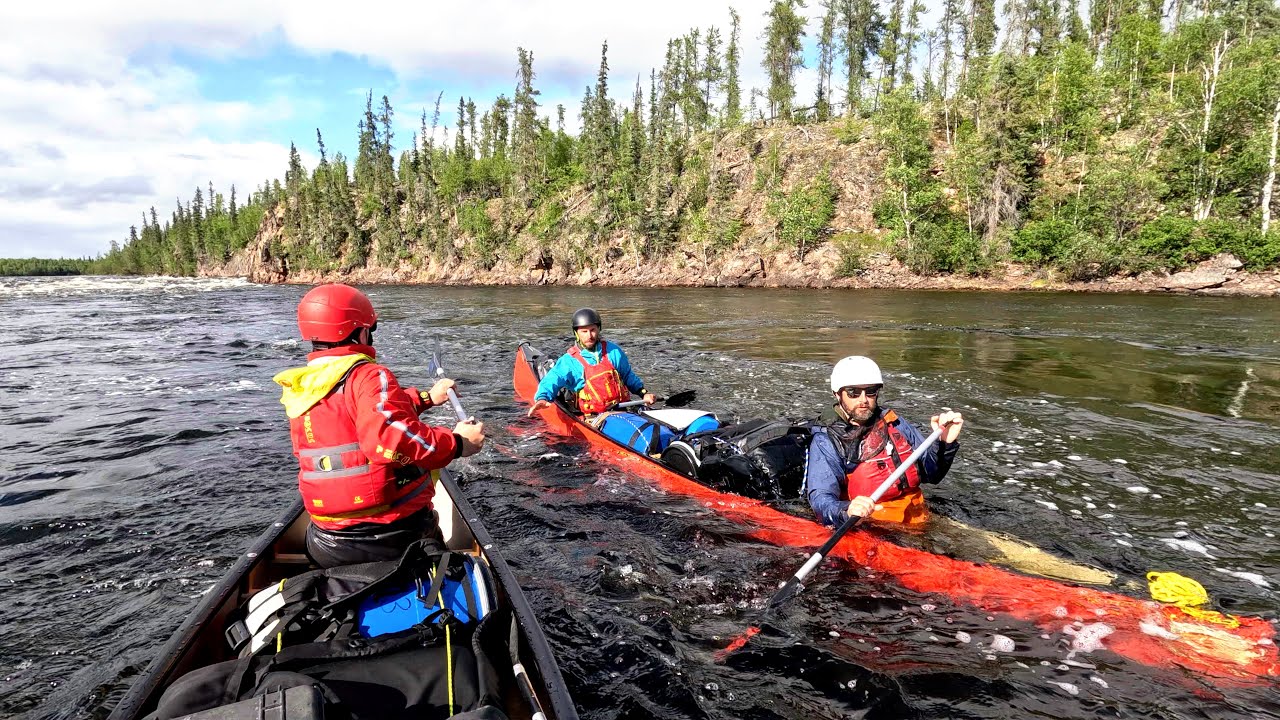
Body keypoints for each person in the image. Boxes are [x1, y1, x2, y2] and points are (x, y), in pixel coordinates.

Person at [273, 283, 485, 568]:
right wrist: (458, 443)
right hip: (394, 535)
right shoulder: (371, 375)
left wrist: (425, 398)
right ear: (361, 332)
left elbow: (359, 415)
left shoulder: (306, 385)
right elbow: (387, 439)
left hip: (325, 540)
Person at [806, 355, 963, 527]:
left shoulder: (893, 422)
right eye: (853, 392)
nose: (863, 400)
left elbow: (932, 474)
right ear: (837, 394)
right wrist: (846, 510)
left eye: (870, 391)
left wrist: (944, 443)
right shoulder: (827, 439)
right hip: (874, 526)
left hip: (916, 514)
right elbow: (821, 498)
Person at [527, 308, 656, 416]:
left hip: (621, 410)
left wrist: (643, 393)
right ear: (576, 333)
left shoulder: (613, 351)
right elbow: (552, 379)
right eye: (584, 331)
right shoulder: (569, 361)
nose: (589, 335)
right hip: (593, 418)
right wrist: (542, 398)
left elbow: (628, 376)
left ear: (598, 329)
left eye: (593, 330)